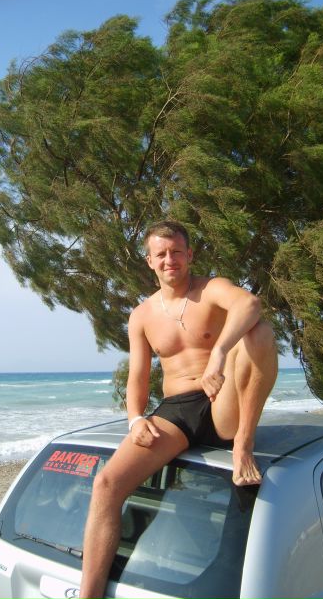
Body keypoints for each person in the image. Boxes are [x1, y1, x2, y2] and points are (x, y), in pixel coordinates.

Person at [79, 220, 278, 599]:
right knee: (106, 485)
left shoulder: (211, 289)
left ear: (189, 255)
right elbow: (138, 377)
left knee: (261, 331)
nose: (169, 259)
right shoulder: (141, 315)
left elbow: (250, 304)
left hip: (222, 400)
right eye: (161, 254)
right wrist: (135, 419)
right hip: (177, 410)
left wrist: (219, 353)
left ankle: (243, 444)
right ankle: (89, 594)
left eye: (176, 252)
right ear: (150, 261)